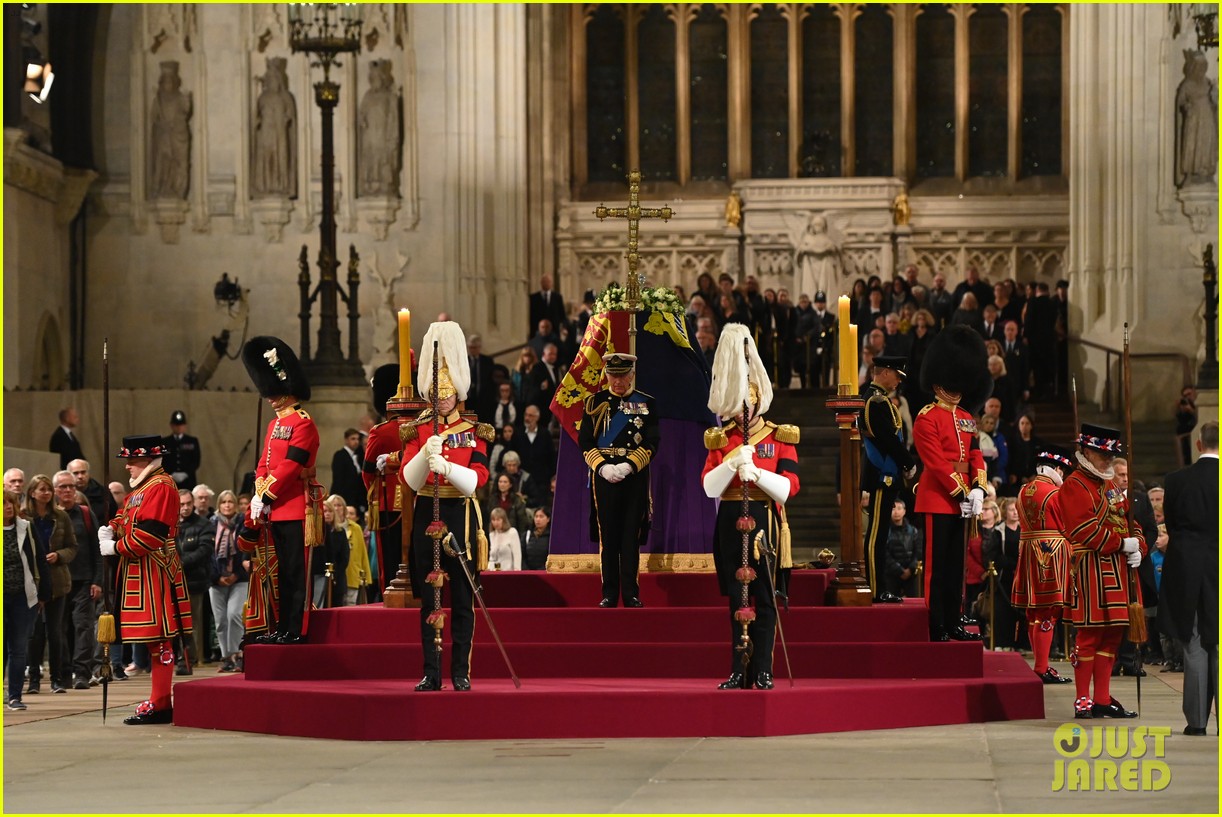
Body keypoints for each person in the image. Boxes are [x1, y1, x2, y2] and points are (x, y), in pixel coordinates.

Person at [702, 323, 799, 690]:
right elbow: (709, 486)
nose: (744, 412)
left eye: (749, 403)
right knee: (735, 599)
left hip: (764, 521)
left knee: (764, 598)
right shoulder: (721, 438)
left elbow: (788, 488)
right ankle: (737, 670)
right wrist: (730, 464)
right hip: (729, 519)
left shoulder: (779, 436)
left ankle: (762, 670)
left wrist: (756, 473)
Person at [400, 320, 493, 692]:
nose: (442, 400)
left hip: (460, 515)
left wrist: (449, 468)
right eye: (437, 395)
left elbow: (478, 479)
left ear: (457, 394)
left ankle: (460, 671)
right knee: (430, 600)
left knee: (463, 599)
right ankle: (431, 671)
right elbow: (409, 479)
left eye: (447, 394)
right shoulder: (419, 430)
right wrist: (426, 453)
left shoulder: (474, 431)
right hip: (428, 510)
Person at [96, 434, 193, 725]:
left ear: (148, 460)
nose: (127, 466)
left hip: (155, 569)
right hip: (139, 570)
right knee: (152, 640)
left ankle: (161, 703)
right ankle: (159, 700)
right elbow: (127, 516)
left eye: (132, 460)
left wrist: (116, 547)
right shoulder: (142, 487)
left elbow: (151, 534)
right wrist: (111, 528)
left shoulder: (161, 486)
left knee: (160, 639)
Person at [1059, 423, 1145, 719]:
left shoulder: (1110, 485)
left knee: (1112, 636)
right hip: (1091, 568)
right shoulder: (1074, 484)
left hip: (1119, 568)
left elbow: (1131, 521)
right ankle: (1082, 698)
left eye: (1110, 455)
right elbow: (1083, 529)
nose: (1108, 460)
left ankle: (1102, 698)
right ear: (1085, 451)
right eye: (1102, 454)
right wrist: (1122, 543)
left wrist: (1139, 547)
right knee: (1090, 635)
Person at [239, 336, 321, 646]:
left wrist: (266, 494)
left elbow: (291, 465)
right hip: (276, 509)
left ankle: (296, 628)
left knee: (296, 573)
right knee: (282, 573)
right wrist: (258, 492)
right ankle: (283, 626)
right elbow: (265, 462)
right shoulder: (274, 426)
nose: (271, 399)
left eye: (275, 394)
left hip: (297, 506)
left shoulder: (303, 424)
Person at [912, 325, 991, 642]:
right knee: (937, 567)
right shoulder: (926, 417)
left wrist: (979, 487)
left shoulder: (966, 417)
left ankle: (954, 619)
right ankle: (936, 623)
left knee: (957, 567)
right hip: (938, 498)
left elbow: (975, 454)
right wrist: (962, 491)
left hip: (963, 500)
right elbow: (935, 462)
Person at [580, 352, 659, 609]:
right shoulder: (594, 402)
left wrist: (629, 465)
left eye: (623, 375)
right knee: (609, 537)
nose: (617, 381)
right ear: (606, 375)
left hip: (633, 477)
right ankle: (609, 594)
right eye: (613, 376)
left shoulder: (646, 403)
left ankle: (631, 593)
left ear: (632, 375)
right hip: (604, 477)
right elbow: (585, 441)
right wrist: (602, 467)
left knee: (630, 537)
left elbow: (652, 442)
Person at [1158, 421, 1218, 736]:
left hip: (1188, 568)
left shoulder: (1176, 480)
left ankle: (1196, 722)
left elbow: (1172, 525)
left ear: (1197, 444)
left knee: (1194, 642)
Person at [860, 355, 916, 603]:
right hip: (882, 473)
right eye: (896, 375)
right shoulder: (875, 401)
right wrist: (908, 461)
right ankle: (875, 588)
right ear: (884, 372)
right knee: (877, 533)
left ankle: (879, 587)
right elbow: (887, 440)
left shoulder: (881, 400)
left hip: (887, 473)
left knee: (882, 532)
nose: (899, 381)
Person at [363, 363, 417, 599]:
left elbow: (367, 472)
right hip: (419, 501)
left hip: (388, 503)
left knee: (390, 561)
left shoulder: (381, 431)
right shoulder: (420, 427)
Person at [24, 474, 77, 695]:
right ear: (32, 493)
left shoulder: (61, 516)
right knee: (35, 634)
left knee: (55, 633)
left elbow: (72, 547)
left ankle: (57, 679)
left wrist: (59, 555)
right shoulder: (23, 516)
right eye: (42, 489)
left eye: (48, 489)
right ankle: (34, 680)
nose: (46, 493)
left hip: (57, 581)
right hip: (32, 582)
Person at [52, 471, 101, 688]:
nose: (68, 490)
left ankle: (82, 673)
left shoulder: (86, 514)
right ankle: (63, 674)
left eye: (71, 486)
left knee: (83, 627)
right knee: (59, 629)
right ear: (55, 490)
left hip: (84, 580)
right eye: (63, 486)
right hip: (59, 582)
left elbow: (97, 550)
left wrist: (98, 581)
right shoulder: (51, 516)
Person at [4, 490, 44, 710]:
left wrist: (43, 594)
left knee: (18, 649)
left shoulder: (26, 527)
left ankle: (14, 696)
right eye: (3, 503)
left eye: (11, 502)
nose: (8, 507)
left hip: (22, 596)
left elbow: (40, 560)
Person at [208, 490, 247, 673]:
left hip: (239, 578)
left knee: (234, 615)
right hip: (216, 580)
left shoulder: (243, 523)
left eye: (230, 501)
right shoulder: (211, 523)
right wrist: (217, 577)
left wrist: (236, 574)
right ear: (219, 505)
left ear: (236, 505)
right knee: (221, 621)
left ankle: (238, 654)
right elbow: (208, 553)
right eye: (223, 502)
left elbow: (245, 551)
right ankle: (226, 658)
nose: (227, 505)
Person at [174, 489, 213, 673]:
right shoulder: (169, 524)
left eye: (189, 503)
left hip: (194, 580)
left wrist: (181, 562)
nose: (185, 507)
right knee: (173, 623)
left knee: (191, 623)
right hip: (172, 580)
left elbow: (204, 550)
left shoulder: (204, 524)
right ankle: (172, 658)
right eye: (181, 504)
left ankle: (189, 659)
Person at [312, 497, 350, 608]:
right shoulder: (316, 532)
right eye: (325, 511)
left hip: (336, 576)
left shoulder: (340, 531)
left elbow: (344, 557)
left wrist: (335, 573)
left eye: (330, 511)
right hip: (319, 573)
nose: (327, 514)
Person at [882, 499, 922, 599]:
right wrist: (899, 570)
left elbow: (918, 551)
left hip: (910, 573)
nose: (896, 512)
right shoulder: (885, 531)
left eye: (899, 508)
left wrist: (911, 568)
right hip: (891, 574)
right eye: (893, 509)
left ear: (904, 511)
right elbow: (884, 553)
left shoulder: (913, 530)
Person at [329, 428, 366, 517]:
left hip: (355, 499)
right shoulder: (340, 455)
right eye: (353, 439)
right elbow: (338, 479)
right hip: (344, 498)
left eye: (357, 439)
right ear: (346, 440)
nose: (356, 442)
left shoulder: (358, 456)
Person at [162, 410, 201, 490]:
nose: (179, 427)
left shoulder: (192, 441)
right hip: (170, 480)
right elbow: (162, 461)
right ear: (171, 425)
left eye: (181, 425)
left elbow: (196, 461)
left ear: (185, 426)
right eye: (176, 425)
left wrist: (186, 473)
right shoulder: (165, 442)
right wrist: (171, 473)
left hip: (188, 481)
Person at [484, 473, 531, 538]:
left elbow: (522, 521)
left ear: (510, 485)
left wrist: (521, 537)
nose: (502, 484)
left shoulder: (517, 500)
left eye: (505, 482)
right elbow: (489, 519)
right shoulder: (492, 499)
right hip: (495, 534)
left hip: (512, 533)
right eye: (500, 482)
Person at [529, 274, 568, 342]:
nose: (547, 283)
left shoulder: (557, 297)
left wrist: (564, 327)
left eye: (549, 281)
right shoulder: (533, 298)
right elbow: (530, 315)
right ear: (541, 283)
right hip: (538, 332)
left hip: (554, 332)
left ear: (552, 283)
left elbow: (562, 314)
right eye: (545, 281)